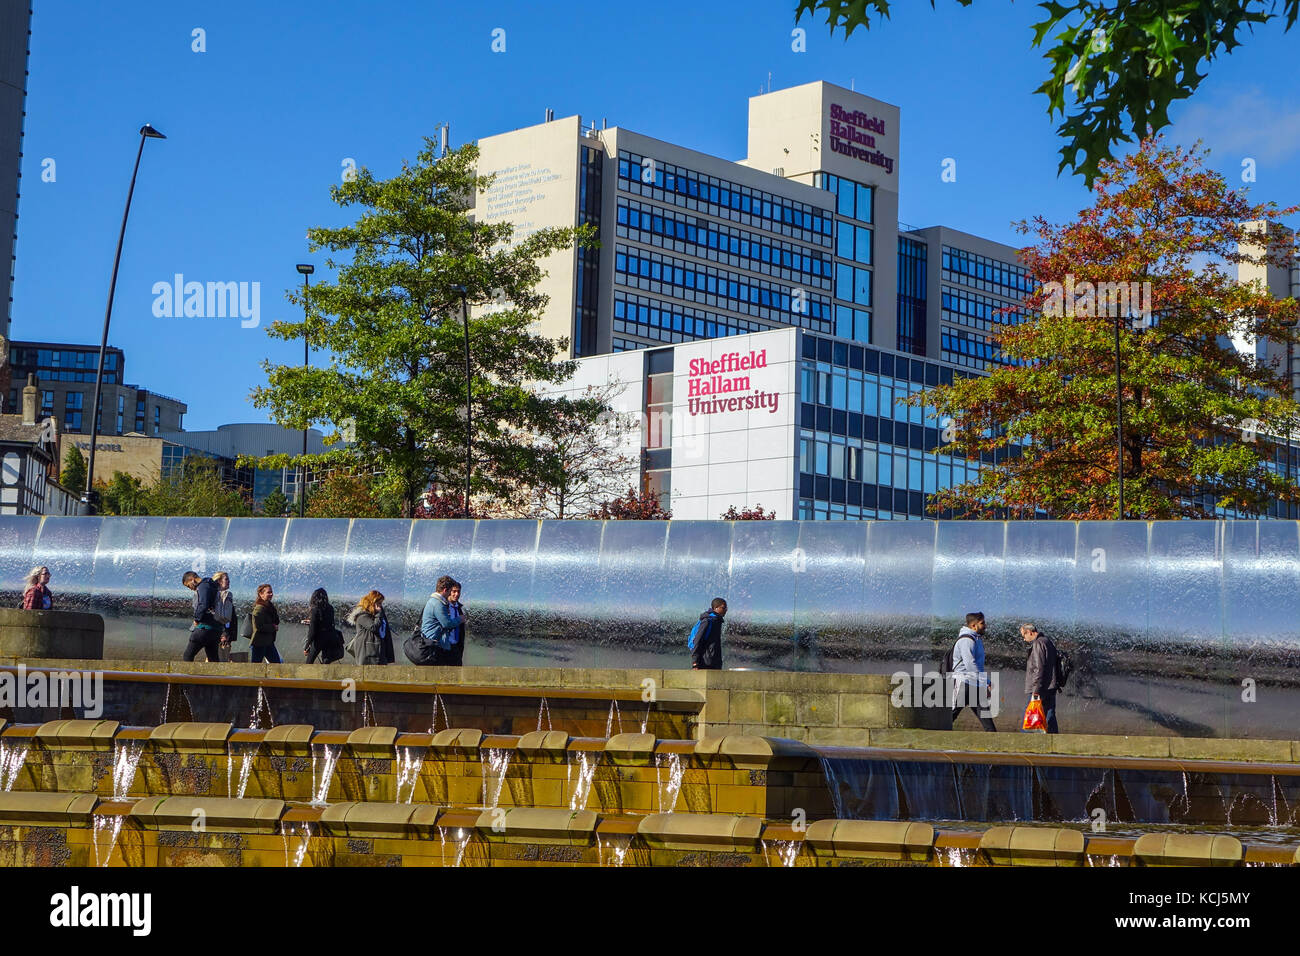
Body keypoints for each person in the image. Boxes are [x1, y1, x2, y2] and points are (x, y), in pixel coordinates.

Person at [950, 611, 997, 732]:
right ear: (973, 626)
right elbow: (970, 664)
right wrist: (984, 682)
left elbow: (976, 666)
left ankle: (995, 743)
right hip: (963, 683)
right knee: (950, 716)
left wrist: (984, 682)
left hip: (974, 683)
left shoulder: (976, 639)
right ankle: (934, 740)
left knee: (986, 719)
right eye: (982, 623)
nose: (985, 625)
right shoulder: (967, 640)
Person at [1021, 622, 1061, 734]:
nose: (1024, 639)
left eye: (1024, 635)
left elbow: (1039, 668)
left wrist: (1036, 690)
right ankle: (1055, 741)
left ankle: (1023, 741)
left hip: (1040, 687)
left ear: (1029, 632)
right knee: (1049, 714)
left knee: (1029, 714)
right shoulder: (1048, 641)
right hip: (1051, 685)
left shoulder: (1038, 643)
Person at [181, 570, 224, 662]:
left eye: (188, 586)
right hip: (215, 628)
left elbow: (203, 604)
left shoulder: (203, 586)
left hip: (204, 628)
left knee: (188, 656)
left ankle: (187, 676)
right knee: (213, 659)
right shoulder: (213, 586)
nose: (191, 588)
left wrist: (197, 619)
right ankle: (216, 676)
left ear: (192, 579)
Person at [419, 576, 462, 666]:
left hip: (436, 644)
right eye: (451, 591)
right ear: (445, 590)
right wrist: (460, 619)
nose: (453, 594)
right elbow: (447, 624)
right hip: (433, 646)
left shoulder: (433, 601)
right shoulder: (438, 604)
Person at [348, 590, 393, 664]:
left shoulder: (375, 616)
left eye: (381, 604)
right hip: (368, 654)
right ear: (372, 603)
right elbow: (373, 627)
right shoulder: (362, 615)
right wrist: (378, 613)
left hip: (376, 653)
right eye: (379, 603)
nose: (380, 606)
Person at [303, 587, 344, 663]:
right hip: (330, 637)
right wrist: (312, 621)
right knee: (326, 661)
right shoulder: (330, 608)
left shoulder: (315, 610)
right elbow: (328, 623)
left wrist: (307, 646)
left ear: (314, 598)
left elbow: (312, 631)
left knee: (308, 663)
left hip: (319, 639)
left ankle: (306, 675)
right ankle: (326, 674)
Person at [248, 583, 282, 664]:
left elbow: (276, 620)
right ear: (261, 594)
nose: (271, 594)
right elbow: (258, 626)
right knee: (256, 667)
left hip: (268, 642)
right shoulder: (259, 608)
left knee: (276, 665)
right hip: (259, 643)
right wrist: (273, 627)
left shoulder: (269, 606)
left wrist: (272, 609)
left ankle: (273, 677)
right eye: (268, 592)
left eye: (272, 592)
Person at [690, 597, 728, 670]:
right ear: (716, 608)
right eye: (723, 608)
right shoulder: (708, 621)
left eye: (726, 608)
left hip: (714, 663)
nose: (725, 610)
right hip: (705, 663)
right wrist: (695, 662)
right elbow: (698, 640)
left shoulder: (717, 621)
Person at [212, 571, 236, 660]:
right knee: (217, 657)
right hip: (220, 633)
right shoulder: (217, 596)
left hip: (224, 632)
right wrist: (224, 633)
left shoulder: (226, 595)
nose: (229, 581)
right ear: (219, 581)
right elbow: (220, 617)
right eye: (226, 579)